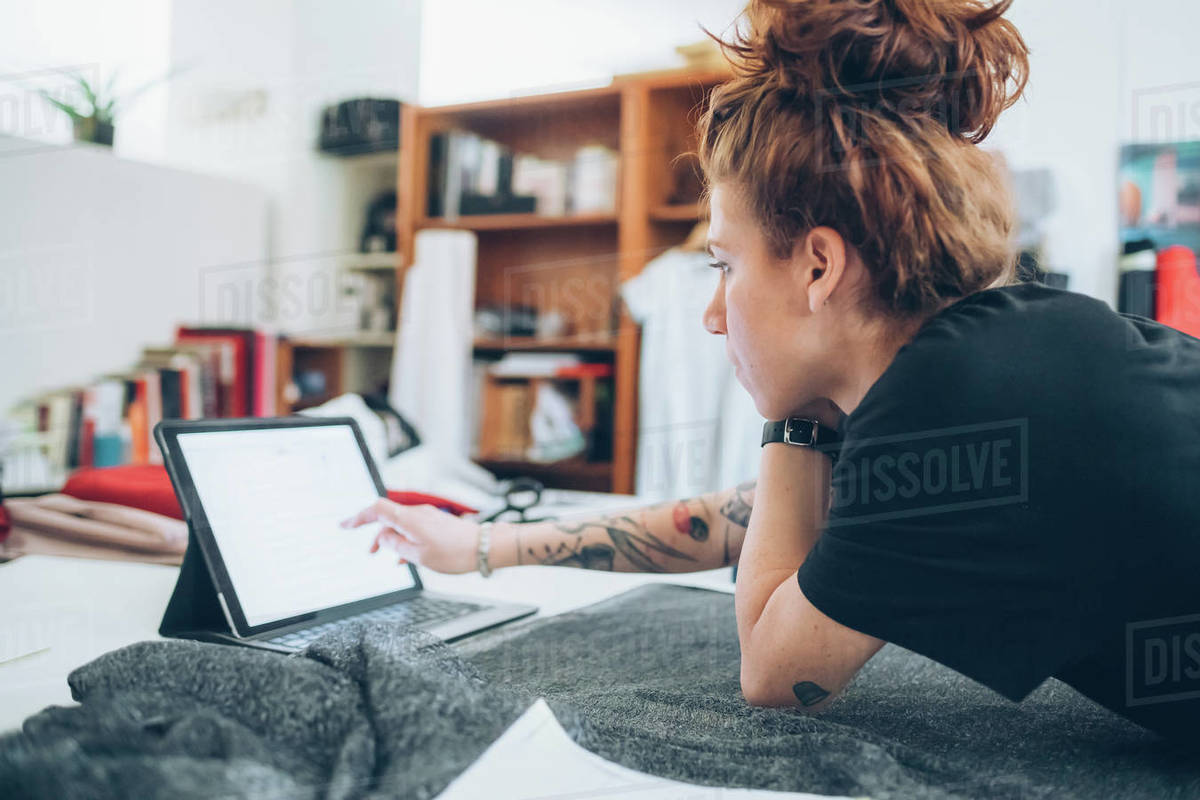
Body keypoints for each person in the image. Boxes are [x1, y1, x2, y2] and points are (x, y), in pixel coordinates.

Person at [342, 0, 1200, 741]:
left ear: (819, 267)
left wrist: (792, 412)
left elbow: (776, 671)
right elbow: (760, 520)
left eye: (723, 265)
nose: (713, 314)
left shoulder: (957, 399)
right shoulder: (991, 355)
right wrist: (485, 545)